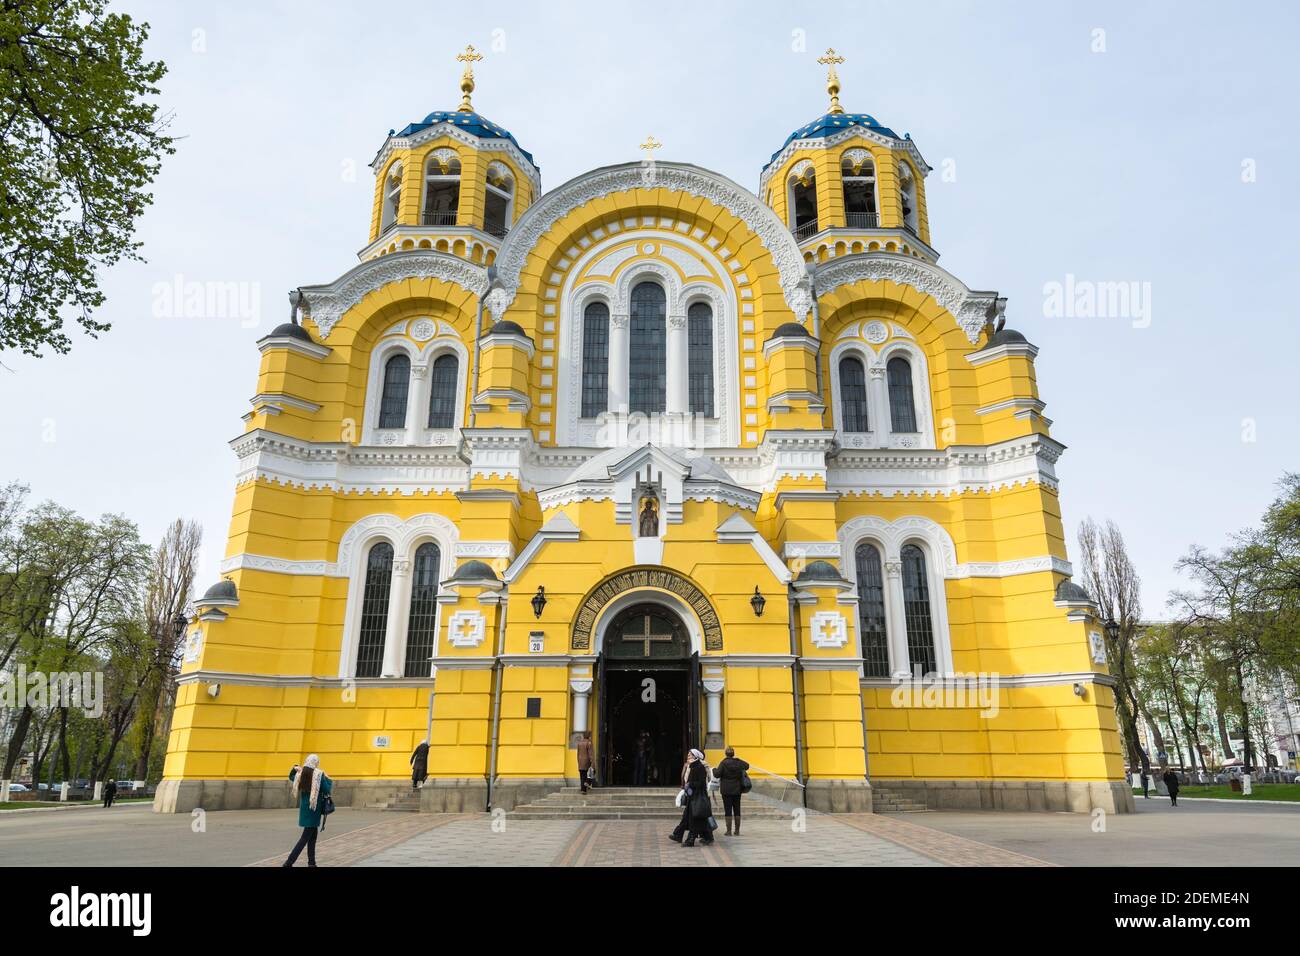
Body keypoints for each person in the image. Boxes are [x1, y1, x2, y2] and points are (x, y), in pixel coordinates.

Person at [283, 754, 332, 868]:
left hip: (305, 808)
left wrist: (294, 768)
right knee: (304, 838)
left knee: (312, 838)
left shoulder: (301, 774)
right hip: (313, 809)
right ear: (316, 763)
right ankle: (288, 863)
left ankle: (312, 863)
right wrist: (327, 778)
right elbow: (327, 789)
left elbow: (291, 776)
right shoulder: (318, 775)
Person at [681, 749, 714, 848]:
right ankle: (708, 837)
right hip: (692, 796)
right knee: (699, 818)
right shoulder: (692, 766)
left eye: (690, 754)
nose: (688, 756)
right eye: (688, 754)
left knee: (694, 819)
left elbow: (701, 783)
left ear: (695, 756)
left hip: (698, 796)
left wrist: (690, 784)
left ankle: (690, 840)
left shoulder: (699, 767)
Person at [713, 746, 750, 836]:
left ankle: (728, 831)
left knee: (728, 810)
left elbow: (717, 775)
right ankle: (737, 831)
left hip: (726, 790)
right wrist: (738, 759)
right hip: (737, 790)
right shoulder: (738, 762)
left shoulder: (723, 763)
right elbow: (747, 766)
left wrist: (714, 769)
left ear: (726, 754)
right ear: (733, 754)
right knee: (737, 809)